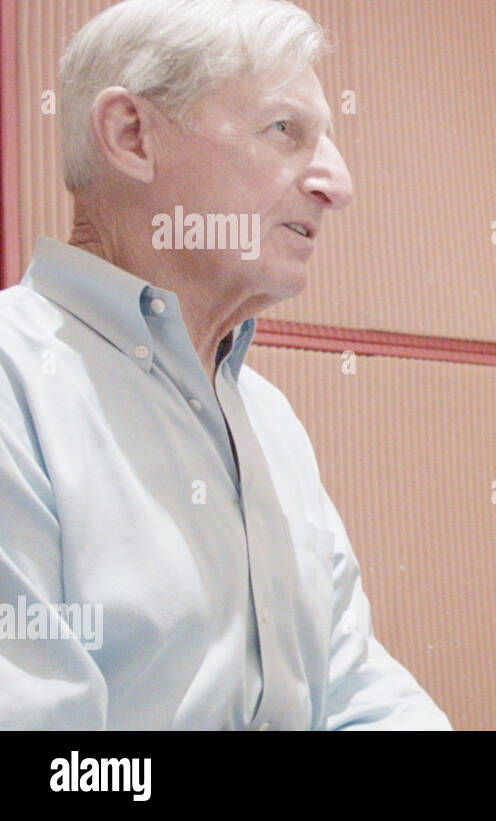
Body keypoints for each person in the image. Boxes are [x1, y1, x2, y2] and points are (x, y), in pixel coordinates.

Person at [0, 0, 451, 729]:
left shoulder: (269, 419)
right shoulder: (12, 386)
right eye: (285, 131)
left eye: (326, 140)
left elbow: (350, 682)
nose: (337, 183)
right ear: (130, 135)